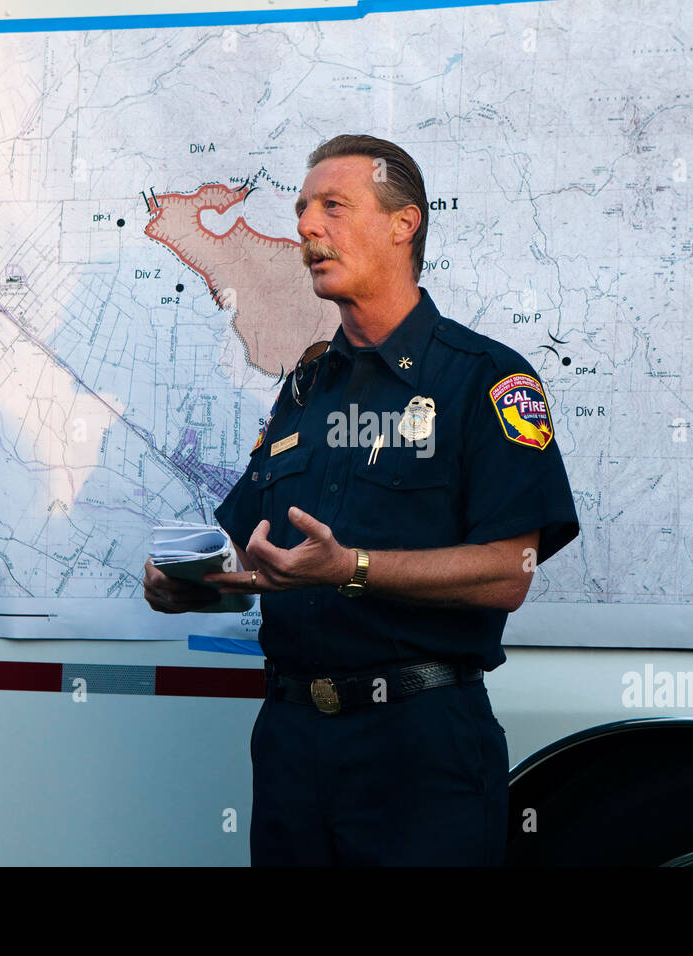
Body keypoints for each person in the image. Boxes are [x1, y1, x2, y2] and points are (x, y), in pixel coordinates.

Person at [143, 133, 579, 865]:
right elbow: (262, 559)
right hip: (289, 745)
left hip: (418, 747)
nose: (308, 227)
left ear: (403, 224)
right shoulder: (307, 385)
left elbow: (512, 571)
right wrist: (193, 588)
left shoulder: (486, 379)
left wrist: (354, 567)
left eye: (334, 207)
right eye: (303, 209)